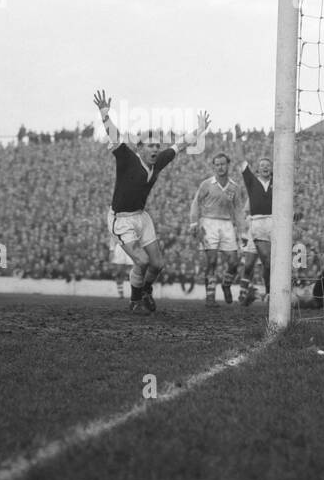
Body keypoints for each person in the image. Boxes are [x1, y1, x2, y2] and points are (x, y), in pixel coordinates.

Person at [93, 89, 209, 315]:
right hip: (121, 220)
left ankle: (145, 290)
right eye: (150, 145)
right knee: (142, 260)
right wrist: (105, 114)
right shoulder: (127, 158)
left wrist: (200, 129)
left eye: (157, 146)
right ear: (139, 149)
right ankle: (135, 299)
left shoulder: (158, 162)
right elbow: (114, 137)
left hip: (141, 217)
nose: (156, 149)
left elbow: (181, 145)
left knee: (157, 264)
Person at [188, 152, 248, 306]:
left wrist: (243, 232)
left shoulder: (234, 187)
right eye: (217, 164)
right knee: (212, 260)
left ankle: (226, 283)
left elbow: (239, 211)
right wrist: (194, 223)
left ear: (228, 165)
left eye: (223, 164)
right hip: (208, 223)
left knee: (234, 262)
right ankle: (210, 296)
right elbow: (196, 203)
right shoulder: (207, 184)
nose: (220, 167)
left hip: (227, 224)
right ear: (214, 167)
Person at [236, 154, 273, 306]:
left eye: (268, 164)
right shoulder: (252, 182)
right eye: (262, 164)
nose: (265, 166)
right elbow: (241, 161)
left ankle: (269, 292)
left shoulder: (277, 182)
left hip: (271, 223)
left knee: (267, 260)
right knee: (249, 263)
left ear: (272, 169)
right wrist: (239, 137)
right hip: (254, 224)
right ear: (257, 169)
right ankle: (244, 294)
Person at [106, 208, 133, 299]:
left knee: (133, 272)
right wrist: (111, 250)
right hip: (120, 248)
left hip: (130, 247)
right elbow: (112, 238)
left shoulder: (132, 222)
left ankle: (135, 293)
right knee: (119, 271)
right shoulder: (115, 223)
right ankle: (120, 292)